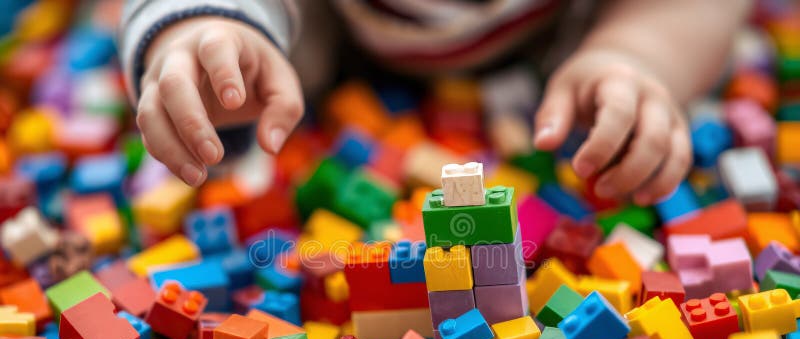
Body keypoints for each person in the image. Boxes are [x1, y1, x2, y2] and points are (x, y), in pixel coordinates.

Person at [119, 0, 750, 205]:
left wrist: (640, 55)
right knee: (240, 50)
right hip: (338, 24)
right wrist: (201, 30)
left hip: (560, 27)